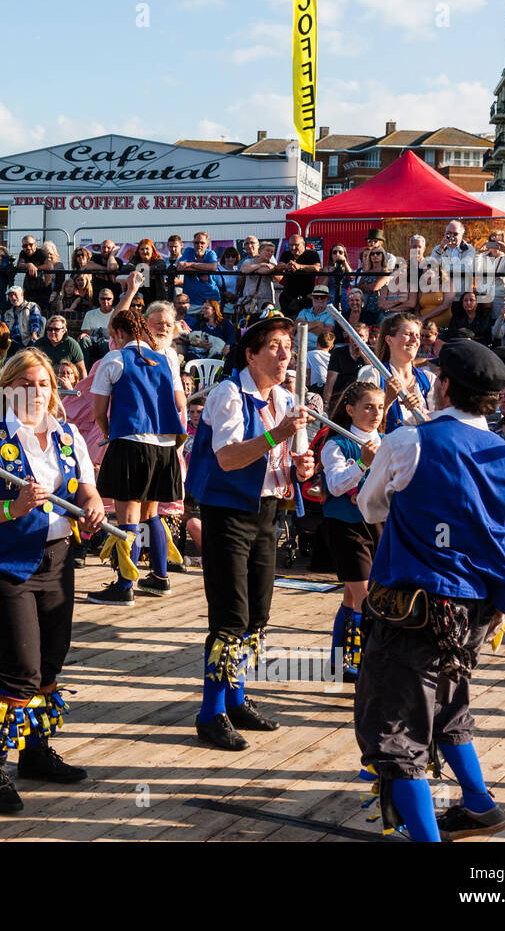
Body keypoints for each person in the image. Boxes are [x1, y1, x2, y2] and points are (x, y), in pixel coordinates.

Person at [354, 339, 505, 841]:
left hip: (415, 608)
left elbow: (370, 507)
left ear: (441, 387)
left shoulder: (409, 442)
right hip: (476, 610)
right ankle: (479, 804)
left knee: (396, 732)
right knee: (449, 700)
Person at [0, 348, 106, 812]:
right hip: (2, 566)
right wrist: (10, 508)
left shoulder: (68, 435)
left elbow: (85, 487)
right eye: (24, 384)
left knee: (50, 667)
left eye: (42, 384)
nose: (35, 392)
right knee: (19, 671)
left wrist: (94, 502)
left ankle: (36, 753)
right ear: (7, 390)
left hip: (56, 561)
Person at [184, 308, 316, 749]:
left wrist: (302, 464)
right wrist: (279, 435)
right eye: (276, 347)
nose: (285, 356)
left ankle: (236, 698)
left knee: (257, 615)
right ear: (251, 354)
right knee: (229, 616)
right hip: (228, 513)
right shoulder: (228, 394)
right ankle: (210, 712)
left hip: (268, 512)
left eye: (288, 347)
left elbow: (282, 461)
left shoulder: (283, 398)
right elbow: (228, 459)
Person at [87, 308, 186, 606]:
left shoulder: (114, 359)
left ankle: (125, 585)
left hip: (131, 441)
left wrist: (108, 434)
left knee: (127, 517)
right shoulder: (165, 359)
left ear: (118, 334)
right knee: (151, 513)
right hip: (165, 444)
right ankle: (160, 577)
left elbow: (99, 411)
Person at [318, 381, 384, 681]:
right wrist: (362, 463)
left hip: (377, 522)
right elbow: (334, 485)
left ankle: (336, 658)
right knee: (365, 597)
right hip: (345, 524)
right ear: (350, 409)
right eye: (368, 406)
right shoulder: (336, 443)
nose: (375, 413)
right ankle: (362, 663)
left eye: (380, 407)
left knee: (351, 594)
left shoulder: (386, 441)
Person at [358, 313, 435, 432]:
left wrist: (421, 411)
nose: (415, 340)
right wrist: (388, 400)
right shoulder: (374, 375)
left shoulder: (429, 379)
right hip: (387, 447)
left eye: (417, 336)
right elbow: (361, 422)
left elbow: (440, 427)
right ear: (389, 339)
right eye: (408, 334)